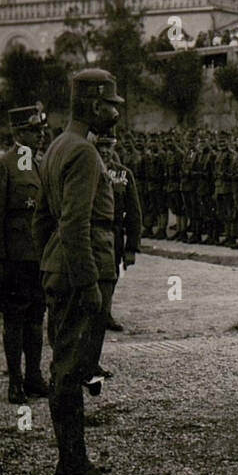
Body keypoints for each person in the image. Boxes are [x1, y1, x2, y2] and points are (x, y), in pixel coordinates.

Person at [34, 69, 124, 475]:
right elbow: (74, 224)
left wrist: (47, 263)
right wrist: (89, 284)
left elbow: (42, 220)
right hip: (81, 270)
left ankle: (73, 460)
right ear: (92, 105)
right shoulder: (85, 153)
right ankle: (72, 465)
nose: (115, 114)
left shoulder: (57, 146)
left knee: (67, 365)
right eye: (110, 105)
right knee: (71, 369)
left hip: (61, 266)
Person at [0, 103, 50, 404]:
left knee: (36, 318)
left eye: (41, 130)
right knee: (15, 321)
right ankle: (15, 382)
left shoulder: (41, 164)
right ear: (20, 132)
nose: (41, 135)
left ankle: (34, 376)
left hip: (38, 257)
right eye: (35, 131)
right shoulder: (3, 165)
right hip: (14, 258)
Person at [96, 135, 141, 332]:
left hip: (114, 234)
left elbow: (134, 213)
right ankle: (95, 312)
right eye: (100, 146)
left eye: (108, 146)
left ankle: (105, 312)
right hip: (91, 232)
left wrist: (131, 248)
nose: (104, 150)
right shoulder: (85, 170)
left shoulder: (123, 174)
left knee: (111, 275)